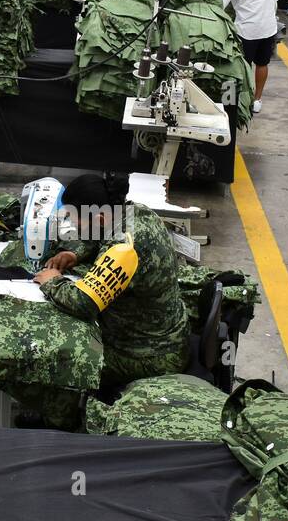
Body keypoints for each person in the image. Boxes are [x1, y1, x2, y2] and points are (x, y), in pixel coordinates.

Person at [29, 173, 190, 423]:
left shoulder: (125, 247)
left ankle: (62, 423)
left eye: (75, 219)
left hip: (148, 355)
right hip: (161, 335)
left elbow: (84, 303)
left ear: (100, 217)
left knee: (58, 357)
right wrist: (74, 252)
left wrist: (52, 281)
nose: (73, 226)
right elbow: (99, 238)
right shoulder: (134, 213)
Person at [218, 0, 279, 115]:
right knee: (262, 63)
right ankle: (257, 100)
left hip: (247, 29)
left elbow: (221, 2)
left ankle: (240, 103)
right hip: (268, 26)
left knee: (240, 67)